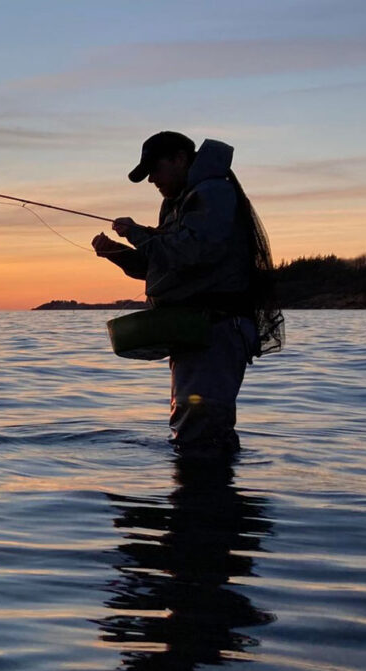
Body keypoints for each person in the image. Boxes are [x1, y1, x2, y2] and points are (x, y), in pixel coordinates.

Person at [92, 131, 283, 456]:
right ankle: (208, 494)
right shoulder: (179, 203)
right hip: (194, 331)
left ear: (180, 158)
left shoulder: (214, 191)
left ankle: (206, 500)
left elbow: (195, 251)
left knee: (200, 430)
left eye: (155, 169)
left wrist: (137, 232)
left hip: (217, 329)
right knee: (196, 428)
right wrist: (116, 252)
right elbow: (166, 264)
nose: (152, 179)